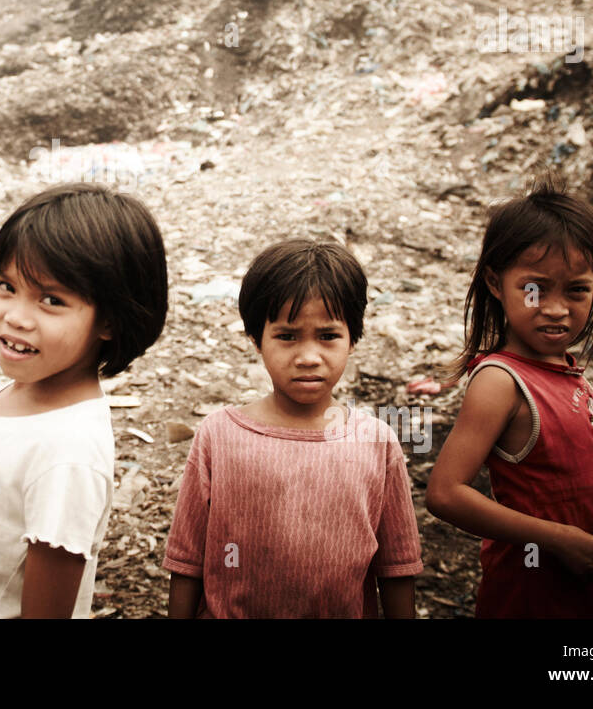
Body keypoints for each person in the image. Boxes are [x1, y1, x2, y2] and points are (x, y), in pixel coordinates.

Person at [0, 182, 167, 618]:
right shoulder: (11, 394)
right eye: (6, 286)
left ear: (109, 320)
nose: (15, 316)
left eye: (50, 300)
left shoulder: (67, 453)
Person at [425, 174, 593, 617]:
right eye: (534, 288)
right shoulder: (501, 381)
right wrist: (558, 539)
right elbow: (445, 493)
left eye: (577, 289)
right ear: (495, 283)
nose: (555, 308)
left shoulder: (566, 371)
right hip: (538, 587)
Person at [164, 239, 422, 618]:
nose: (307, 357)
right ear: (256, 340)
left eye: (328, 336)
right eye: (286, 336)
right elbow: (187, 560)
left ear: (353, 339)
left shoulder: (376, 442)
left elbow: (397, 566)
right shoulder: (219, 436)